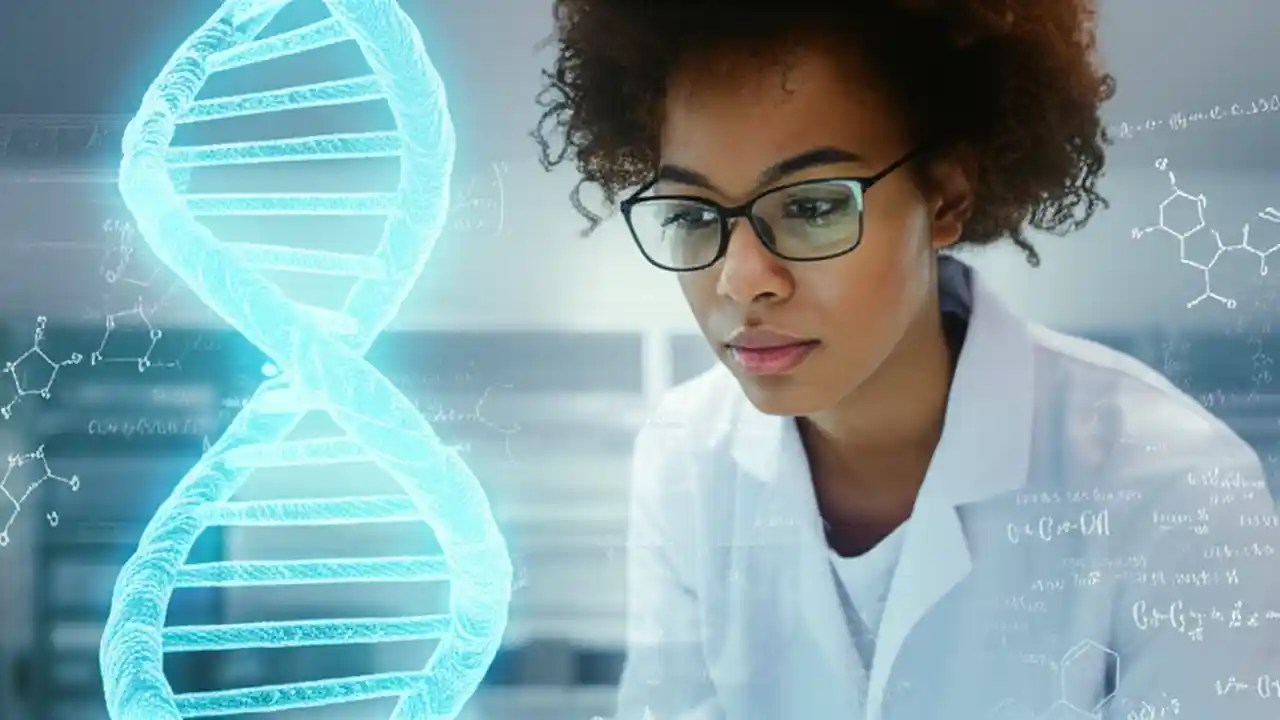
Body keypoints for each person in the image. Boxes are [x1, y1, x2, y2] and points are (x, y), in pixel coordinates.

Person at [531, 2, 1280, 719]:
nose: (739, 279)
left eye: (813, 206)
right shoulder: (686, 455)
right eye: (694, 216)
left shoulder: (1172, 487)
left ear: (947, 196)